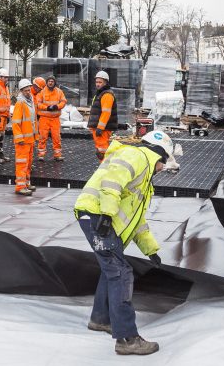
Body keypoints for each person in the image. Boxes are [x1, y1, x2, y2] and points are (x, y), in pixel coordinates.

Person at [74, 130, 176, 356]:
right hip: (98, 216)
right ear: (159, 154)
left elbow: (138, 221)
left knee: (112, 270)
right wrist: (107, 215)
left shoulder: (145, 179)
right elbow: (112, 180)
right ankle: (127, 338)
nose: (163, 168)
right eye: (164, 162)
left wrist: (151, 250)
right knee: (121, 273)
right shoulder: (136, 155)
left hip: (99, 217)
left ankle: (100, 319)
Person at [10, 78, 38, 196]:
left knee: (28, 162)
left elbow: (32, 120)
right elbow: (16, 122)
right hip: (23, 141)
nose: (28, 92)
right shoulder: (20, 103)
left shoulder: (30, 101)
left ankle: (26, 183)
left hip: (30, 138)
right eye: (26, 90)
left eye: (29, 89)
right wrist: (19, 138)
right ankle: (20, 186)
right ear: (21, 91)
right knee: (22, 163)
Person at [36, 75, 67, 161]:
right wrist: (47, 108)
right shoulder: (42, 92)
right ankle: (41, 155)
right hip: (44, 118)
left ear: (54, 83)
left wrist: (57, 107)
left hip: (55, 119)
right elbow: (38, 103)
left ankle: (57, 155)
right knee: (42, 137)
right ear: (47, 82)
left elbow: (64, 101)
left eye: (52, 81)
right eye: (49, 81)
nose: (50, 82)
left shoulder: (59, 92)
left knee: (56, 137)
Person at [89, 70, 116, 160]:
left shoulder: (106, 95)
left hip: (102, 129)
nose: (97, 84)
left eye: (100, 82)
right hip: (100, 128)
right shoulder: (100, 93)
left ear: (105, 82)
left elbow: (106, 113)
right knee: (101, 151)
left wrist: (100, 128)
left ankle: (106, 170)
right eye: (96, 82)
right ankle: (105, 169)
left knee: (102, 151)